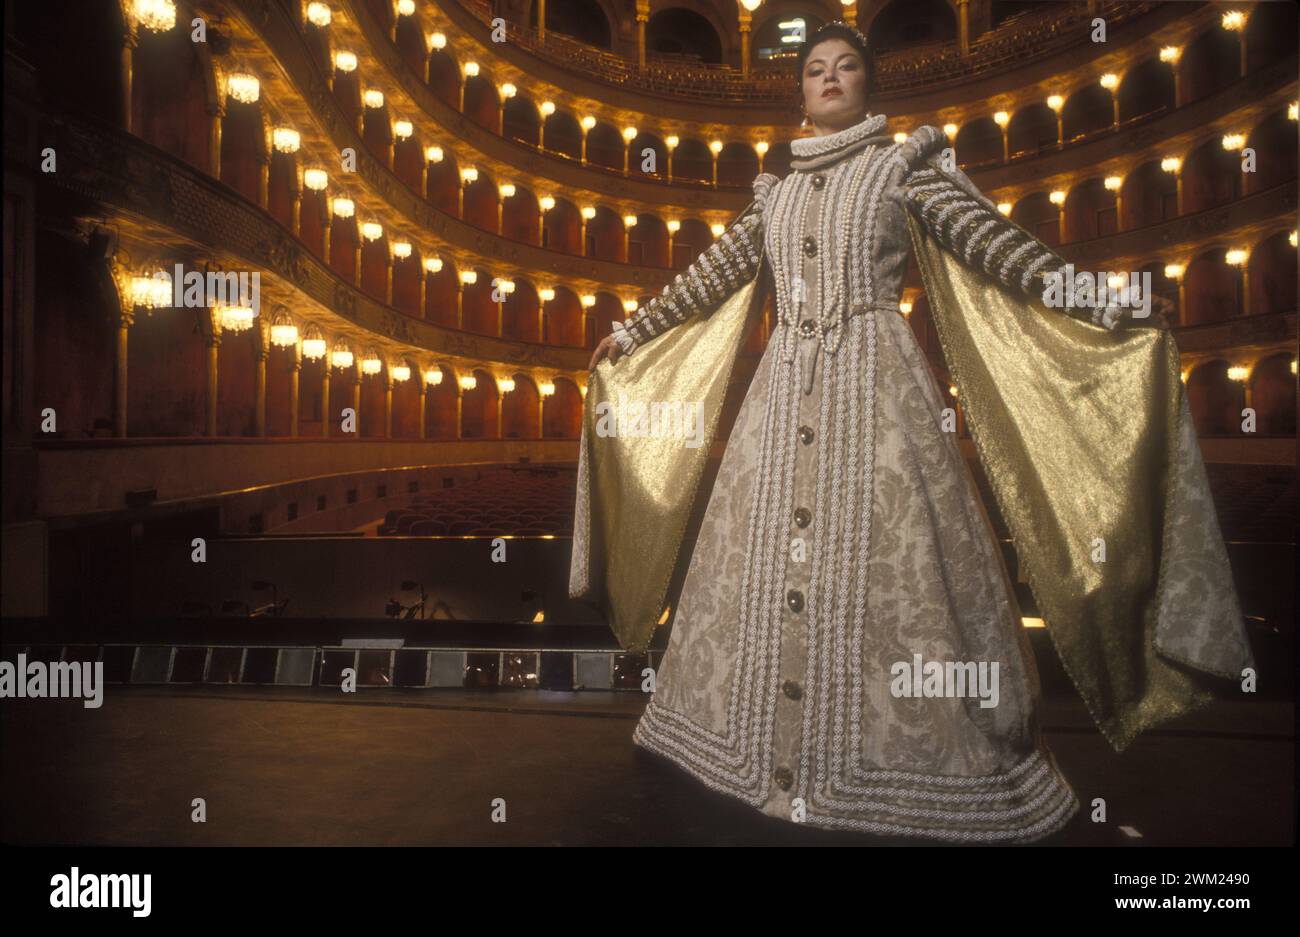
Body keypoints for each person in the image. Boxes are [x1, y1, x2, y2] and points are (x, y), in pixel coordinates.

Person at [571, 21, 1252, 843]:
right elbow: (713, 275)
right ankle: (740, 750)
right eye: (815, 69)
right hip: (783, 389)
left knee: (894, 569)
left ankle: (902, 769)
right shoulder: (773, 192)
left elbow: (1003, 249)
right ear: (800, 92)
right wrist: (636, 328)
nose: (828, 78)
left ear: (867, 84)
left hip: (879, 384)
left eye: (845, 67)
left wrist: (1111, 302)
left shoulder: (905, 167)